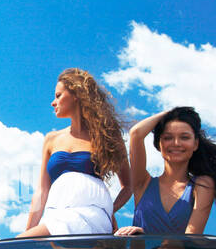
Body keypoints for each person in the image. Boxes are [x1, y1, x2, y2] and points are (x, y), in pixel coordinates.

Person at [115, 106, 216, 236]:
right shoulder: (143, 182)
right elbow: (136, 133)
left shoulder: (202, 185)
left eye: (184, 137)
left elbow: (190, 240)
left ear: (195, 144)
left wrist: (146, 237)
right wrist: (172, 112)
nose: (176, 143)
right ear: (158, 144)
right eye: (168, 137)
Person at [18, 68, 132, 238]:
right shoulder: (51, 139)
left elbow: (128, 186)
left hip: (91, 216)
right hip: (55, 215)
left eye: (58, 96)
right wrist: (28, 233)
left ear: (77, 94)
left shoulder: (107, 135)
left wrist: (108, 209)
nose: (53, 102)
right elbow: (42, 191)